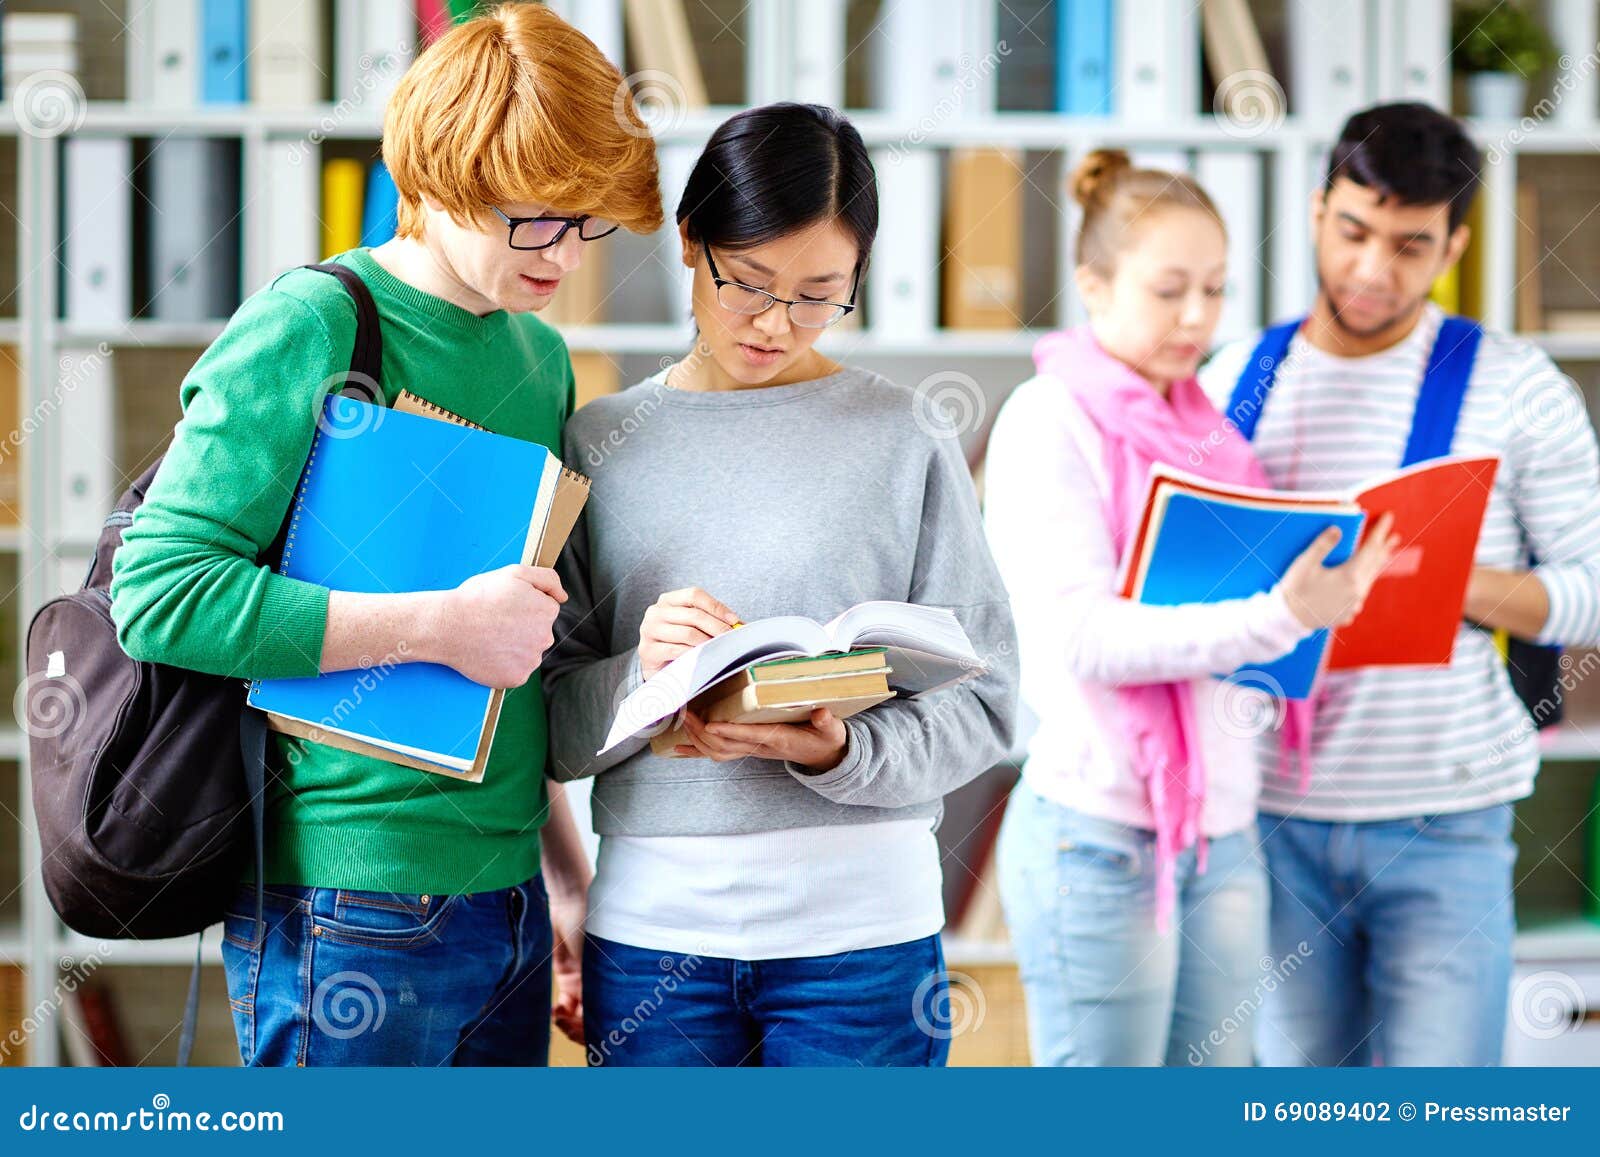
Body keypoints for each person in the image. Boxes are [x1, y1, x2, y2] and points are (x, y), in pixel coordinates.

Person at [109, 4, 663, 1065]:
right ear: (442, 175)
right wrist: (436, 624)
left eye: (585, 217)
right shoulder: (313, 322)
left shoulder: (541, 358)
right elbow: (162, 590)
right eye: (532, 216)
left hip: (505, 899)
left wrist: (561, 873)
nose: (563, 249)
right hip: (346, 903)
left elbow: (512, 649)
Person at [541, 102, 1019, 1068]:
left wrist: (842, 747)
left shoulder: (904, 433)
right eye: (747, 283)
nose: (774, 323)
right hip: (654, 934)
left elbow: (989, 701)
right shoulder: (599, 442)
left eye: (819, 293)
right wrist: (644, 672)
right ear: (688, 241)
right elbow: (542, 724)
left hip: (864, 941)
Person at [1199, 102, 1600, 1066]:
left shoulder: (1517, 383)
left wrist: (1445, 574)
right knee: (1305, 1102)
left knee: (1442, 1110)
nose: (1373, 270)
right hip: (1269, 817)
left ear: (1454, 244)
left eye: (1412, 245)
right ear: (1315, 211)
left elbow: (1589, 591)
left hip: (1447, 818)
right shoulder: (1232, 380)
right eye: (1353, 232)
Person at [984, 149, 1394, 1067]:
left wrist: (1329, 602)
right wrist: (1281, 614)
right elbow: (1084, 638)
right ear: (1092, 285)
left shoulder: (1209, 432)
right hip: (1096, 834)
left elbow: (1244, 634)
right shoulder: (1046, 419)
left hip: (1221, 829)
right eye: (1170, 290)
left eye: (1216, 289)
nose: (1200, 318)